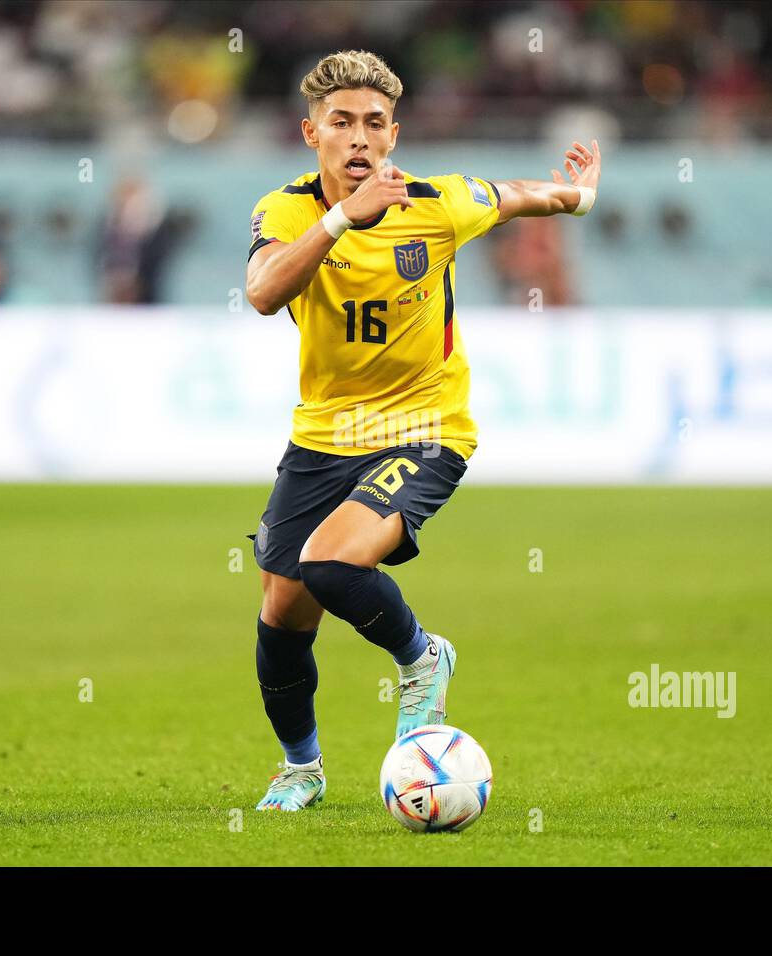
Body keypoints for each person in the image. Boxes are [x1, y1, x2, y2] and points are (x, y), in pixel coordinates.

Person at [244, 50, 599, 811]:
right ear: (313, 133)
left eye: (374, 123)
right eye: (341, 122)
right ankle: (301, 768)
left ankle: (422, 657)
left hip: (426, 427)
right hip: (322, 437)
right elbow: (264, 292)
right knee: (281, 613)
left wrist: (578, 196)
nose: (358, 138)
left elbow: (516, 196)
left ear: (394, 133)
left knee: (331, 565)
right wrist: (343, 219)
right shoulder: (287, 210)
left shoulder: (437, 201)